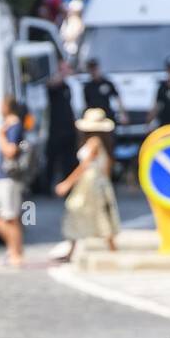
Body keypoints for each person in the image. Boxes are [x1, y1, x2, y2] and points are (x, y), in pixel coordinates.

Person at [55, 108, 121, 261]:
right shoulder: (104, 142)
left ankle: (110, 248)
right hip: (98, 182)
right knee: (98, 214)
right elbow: (107, 167)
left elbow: (85, 165)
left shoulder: (94, 142)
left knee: (78, 210)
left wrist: (67, 183)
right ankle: (109, 248)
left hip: (90, 182)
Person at [0, 95, 26, 267]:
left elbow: (10, 151)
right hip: (1, 176)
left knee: (11, 217)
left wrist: (1, 136)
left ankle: (15, 251)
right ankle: (12, 247)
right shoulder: (8, 123)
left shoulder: (14, 125)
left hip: (10, 176)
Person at [83, 58, 128, 160]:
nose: (93, 71)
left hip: (107, 120)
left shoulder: (107, 83)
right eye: (91, 69)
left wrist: (123, 114)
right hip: (93, 123)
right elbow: (86, 105)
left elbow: (117, 98)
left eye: (94, 68)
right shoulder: (88, 87)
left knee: (110, 146)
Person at [46, 64, 79, 191]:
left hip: (69, 129)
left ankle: (69, 186)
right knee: (52, 160)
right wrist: (61, 75)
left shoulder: (69, 87)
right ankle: (47, 188)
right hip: (56, 130)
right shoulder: (54, 87)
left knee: (69, 160)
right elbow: (50, 85)